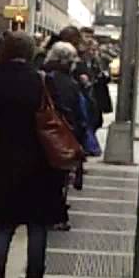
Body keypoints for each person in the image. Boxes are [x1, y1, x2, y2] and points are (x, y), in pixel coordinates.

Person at [0, 32, 68, 278]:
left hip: (4, 160)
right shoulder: (40, 80)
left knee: (2, 228)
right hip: (38, 163)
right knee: (37, 228)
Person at [44, 42, 90, 221]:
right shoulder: (71, 84)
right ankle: (57, 213)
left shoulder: (42, 75)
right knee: (61, 177)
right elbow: (81, 113)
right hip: (64, 135)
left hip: (43, 133)